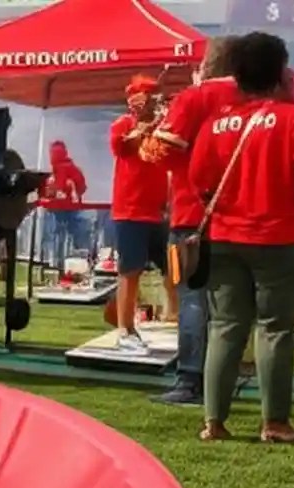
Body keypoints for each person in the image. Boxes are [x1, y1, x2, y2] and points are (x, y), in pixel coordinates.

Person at [190, 31, 294, 443]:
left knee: (225, 327)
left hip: (225, 236)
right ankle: (274, 422)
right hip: (279, 237)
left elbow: (199, 181)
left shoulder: (216, 123)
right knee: (275, 329)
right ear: (280, 72)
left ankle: (214, 422)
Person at [143, 35, 243, 407]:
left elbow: (160, 150)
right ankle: (224, 376)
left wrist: (150, 140)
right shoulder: (260, 100)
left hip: (190, 217)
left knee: (191, 298)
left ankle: (190, 379)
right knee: (232, 305)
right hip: (241, 219)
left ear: (209, 64)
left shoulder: (195, 98)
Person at [108, 76, 171, 354]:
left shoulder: (163, 124)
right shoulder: (122, 124)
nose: (155, 101)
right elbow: (122, 146)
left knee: (174, 267)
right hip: (130, 210)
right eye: (149, 96)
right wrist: (147, 124)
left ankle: (174, 315)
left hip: (158, 211)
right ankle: (125, 329)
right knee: (130, 271)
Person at [41, 140, 88, 269]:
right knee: (66, 236)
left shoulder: (61, 169)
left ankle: (56, 262)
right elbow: (82, 187)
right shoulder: (72, 168)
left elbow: (59, 188)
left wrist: (63, 191)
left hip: (60, 209)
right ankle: (64, 263)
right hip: (67, 208)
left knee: (57, 234)